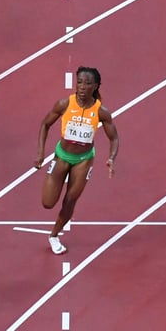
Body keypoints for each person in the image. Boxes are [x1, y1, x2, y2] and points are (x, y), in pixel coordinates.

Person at [34, 66, 121, 255]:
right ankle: (59, 180)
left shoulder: (101, 112)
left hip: (83, 160)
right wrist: (41, 153)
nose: (82, 87)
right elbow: (45, 124)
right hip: (62, 156)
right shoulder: (64, 104)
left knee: (70, 199)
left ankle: (54, 235)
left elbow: (114, 138)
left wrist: (111, 158)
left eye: (87, 83)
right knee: (48, 202)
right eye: (79, 82)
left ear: (96, 86)